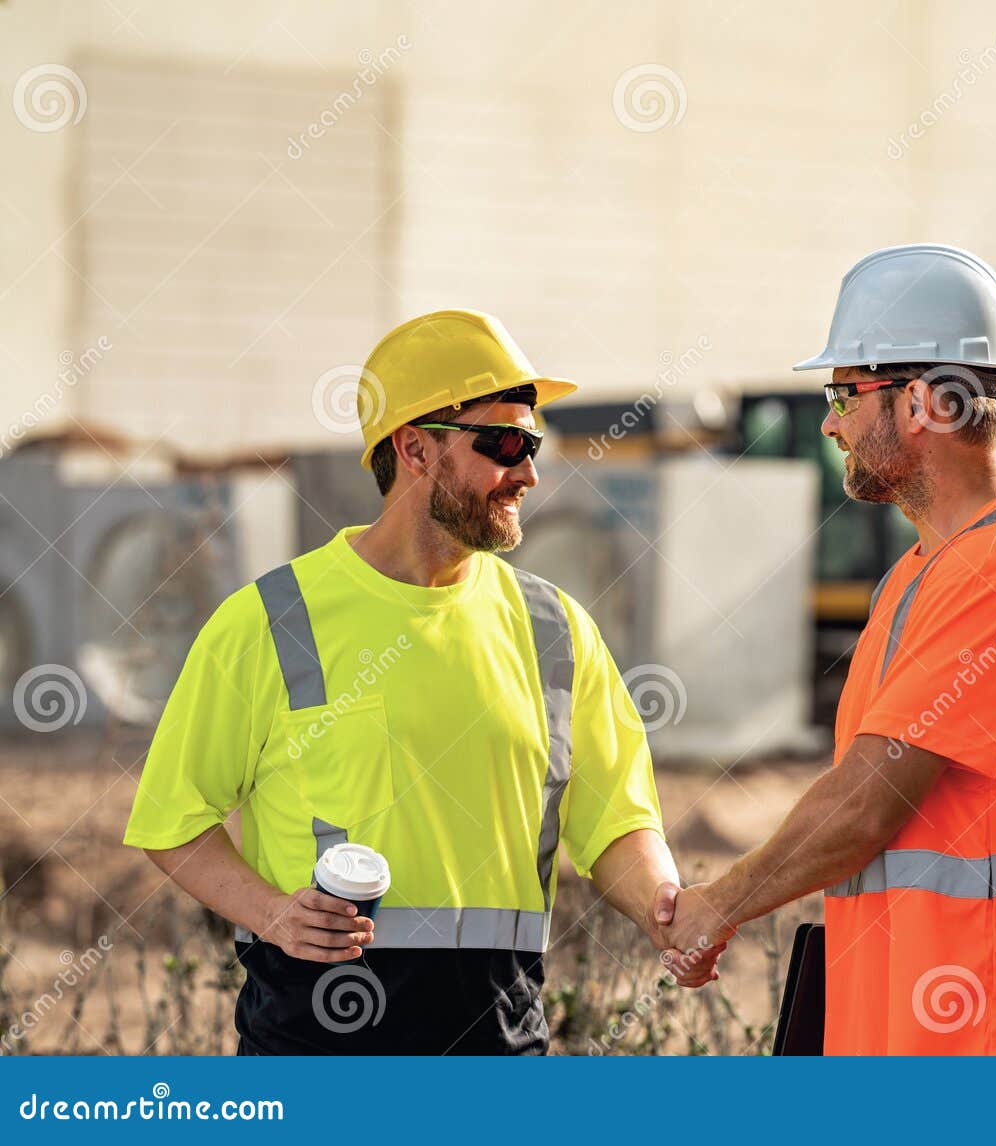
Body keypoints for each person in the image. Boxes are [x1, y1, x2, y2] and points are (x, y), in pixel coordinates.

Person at [124, 309, 719, 1056]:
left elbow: (617, 824)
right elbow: (171, 822)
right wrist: (272, 912)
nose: (529, 472)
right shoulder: (272, 623)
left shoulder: (554, 630)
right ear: (414, 448)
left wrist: (668, 911)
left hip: (498, 1051)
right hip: (317, 1047)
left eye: (534, 446)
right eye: (506, 443)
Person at [662, 245, 996, 1054]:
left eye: (845, 392)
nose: (832, 421)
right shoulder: (925, 573)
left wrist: (720, 904)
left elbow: (866, 805)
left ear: (921, 403)